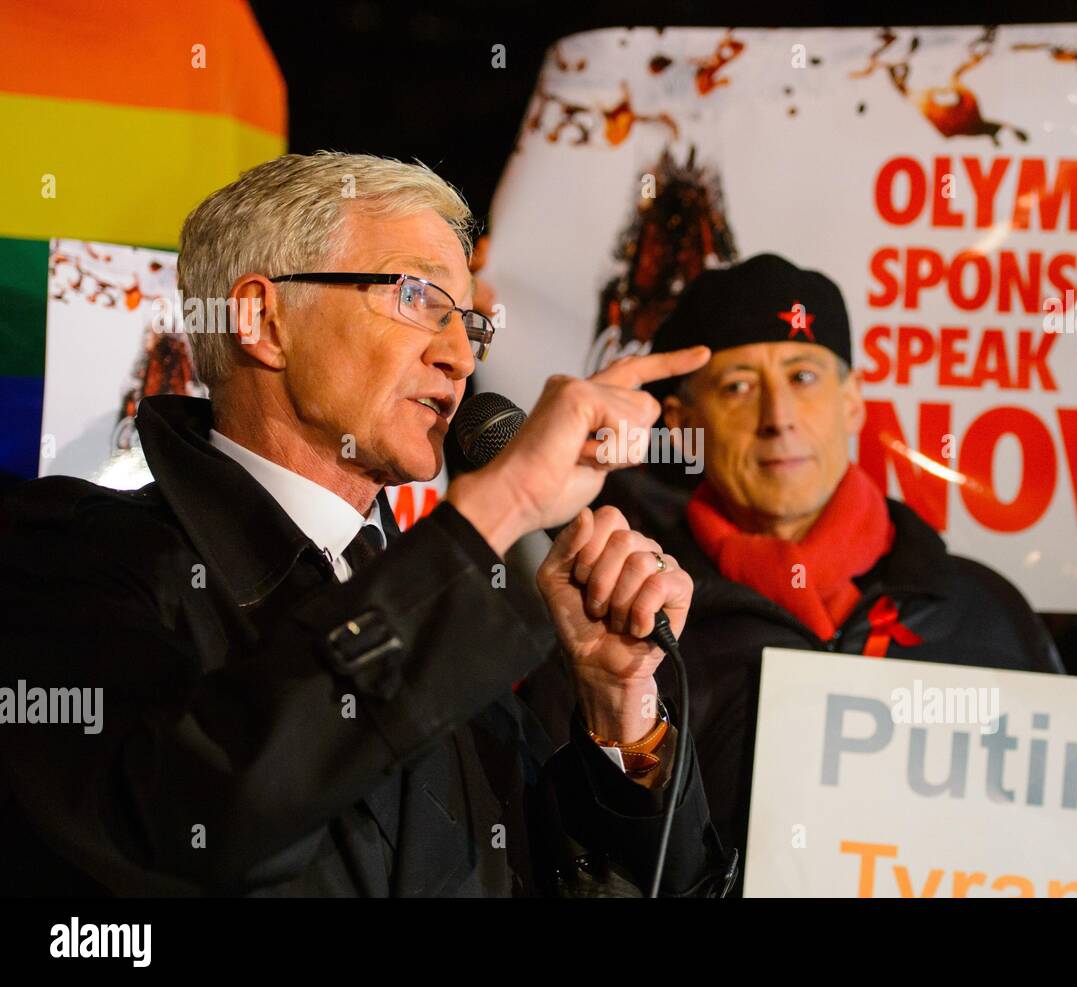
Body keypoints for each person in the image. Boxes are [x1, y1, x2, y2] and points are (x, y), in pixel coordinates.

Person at [0, 151, 736, 897]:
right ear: (262, 320)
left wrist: (622, 717)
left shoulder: (454, 641)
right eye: (416, 297)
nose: (458, 357)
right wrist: (502, 504)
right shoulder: (71, 557)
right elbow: (183, 821)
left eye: (469, 323)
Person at [524, 253, 1077, 888]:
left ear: (854, 405)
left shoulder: (986, 610)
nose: (779, 415)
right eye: (737, 385)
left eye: (806, 375)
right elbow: (569, 867)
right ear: (684, 421)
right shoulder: (618, 625)